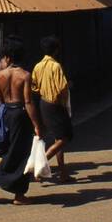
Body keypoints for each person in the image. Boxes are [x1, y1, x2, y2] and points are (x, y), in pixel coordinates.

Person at [0, 36, 43, 205]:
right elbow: (28, 101)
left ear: (8, 57)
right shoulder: (25, 75)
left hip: (6, 113)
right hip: (20, 113)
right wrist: (37, 124)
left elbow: (0, 98)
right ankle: (17, 193)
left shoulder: (0, 75)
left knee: (12, 149)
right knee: (22, 153)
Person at [30, 36, 74, 182]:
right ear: (56, 50)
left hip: (43, 103)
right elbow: (63, 87)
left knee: (57, 137)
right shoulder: (56, 66)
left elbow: (34, 86)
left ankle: (63, 172)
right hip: (55, 104)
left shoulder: (37, 66)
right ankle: (41, 164)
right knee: (65, 137)